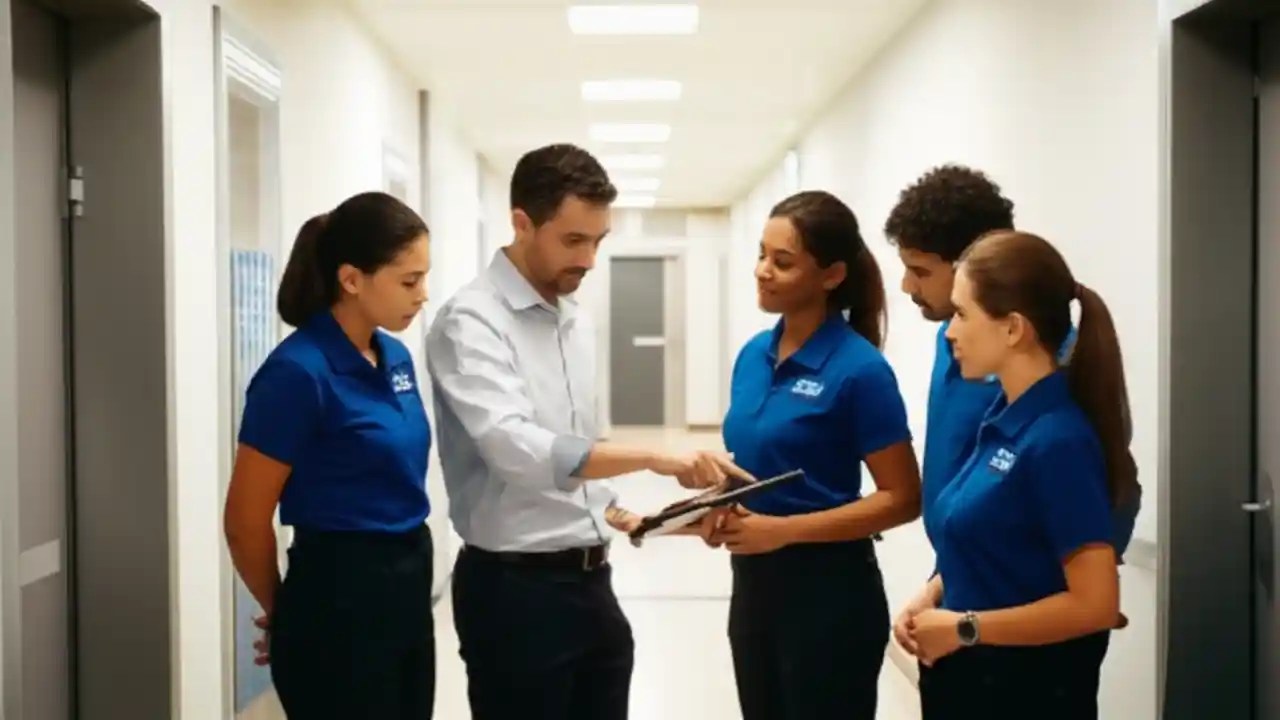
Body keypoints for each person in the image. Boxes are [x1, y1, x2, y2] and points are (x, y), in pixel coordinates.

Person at [425, 143, 744, 720]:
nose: (591, 259)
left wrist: (632, 515)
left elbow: (576, 441)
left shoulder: (573, 318)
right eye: (574, 240)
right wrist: (653, 456)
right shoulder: (469, 322)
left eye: (599, 240)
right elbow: (516, 449)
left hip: (591, 584)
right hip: (514, 594)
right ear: (522, 223)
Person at [883, 165, 1140, 645]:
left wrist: (1085, 586)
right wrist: (943, 585)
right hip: (967, 585)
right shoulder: (957, 344)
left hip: (1018, 615)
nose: (906, 287)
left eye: (920, 271)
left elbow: (1104, 483)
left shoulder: (1052, 380)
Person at [699, 190, 922, 720]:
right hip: (753, 590)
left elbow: (903, 498)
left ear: (831, 275)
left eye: (782, 262)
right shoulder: (753, 355)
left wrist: (783, 531)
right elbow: (756, 469)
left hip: (829, 596)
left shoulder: (859, 370)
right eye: (761, 255)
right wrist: (715, 510)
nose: (762, 271)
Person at [903, 230, 1137, 719]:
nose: (950, 332)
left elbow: (1094, 605)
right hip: (968, 685)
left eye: (963, 314)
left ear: (1013, 329)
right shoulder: (1003, 419)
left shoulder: (1057, 439)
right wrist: (932, 594)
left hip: (1021, 691)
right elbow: (994, 543)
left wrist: (964, 628)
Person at [223, 191, 436, 718]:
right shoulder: (297, 372)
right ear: (351, 279)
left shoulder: (395, 356)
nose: (423, 294)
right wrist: (285, 613)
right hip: (338, 594)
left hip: (408, 586)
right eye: (409, 280)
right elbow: (245, 520)